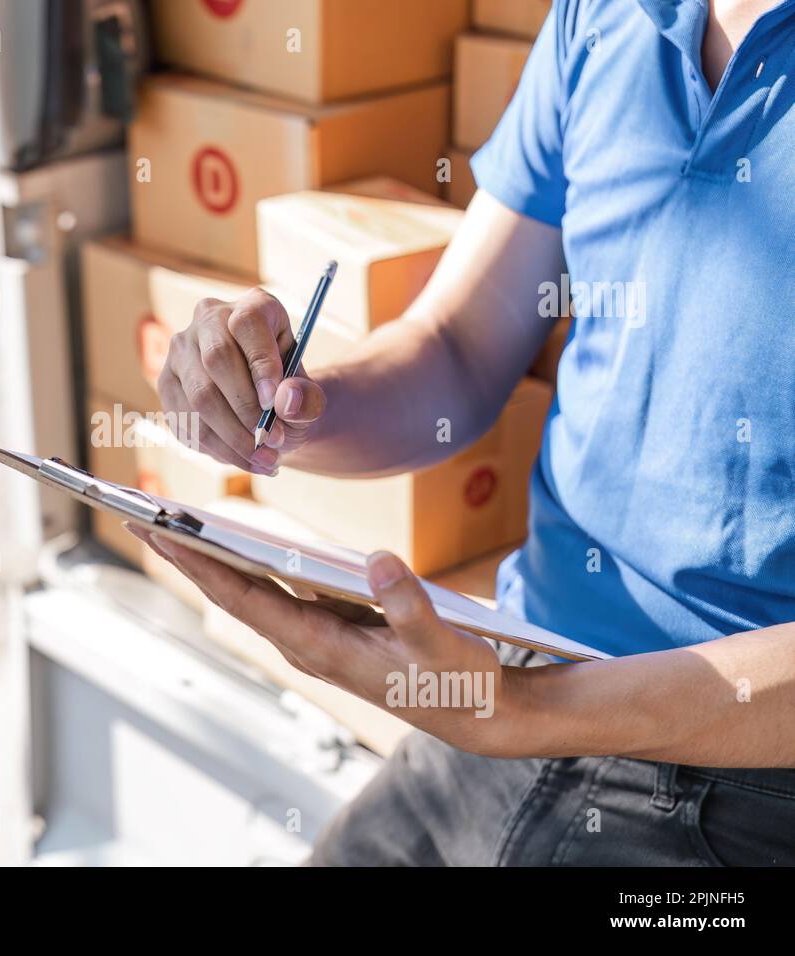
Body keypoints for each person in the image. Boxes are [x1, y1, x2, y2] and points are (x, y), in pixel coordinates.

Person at [136, 0, 795, 865]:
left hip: (747, 782)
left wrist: (522, 714)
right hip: (519, 681)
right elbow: (457, 348)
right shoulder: (602, 18)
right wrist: (283, 407)